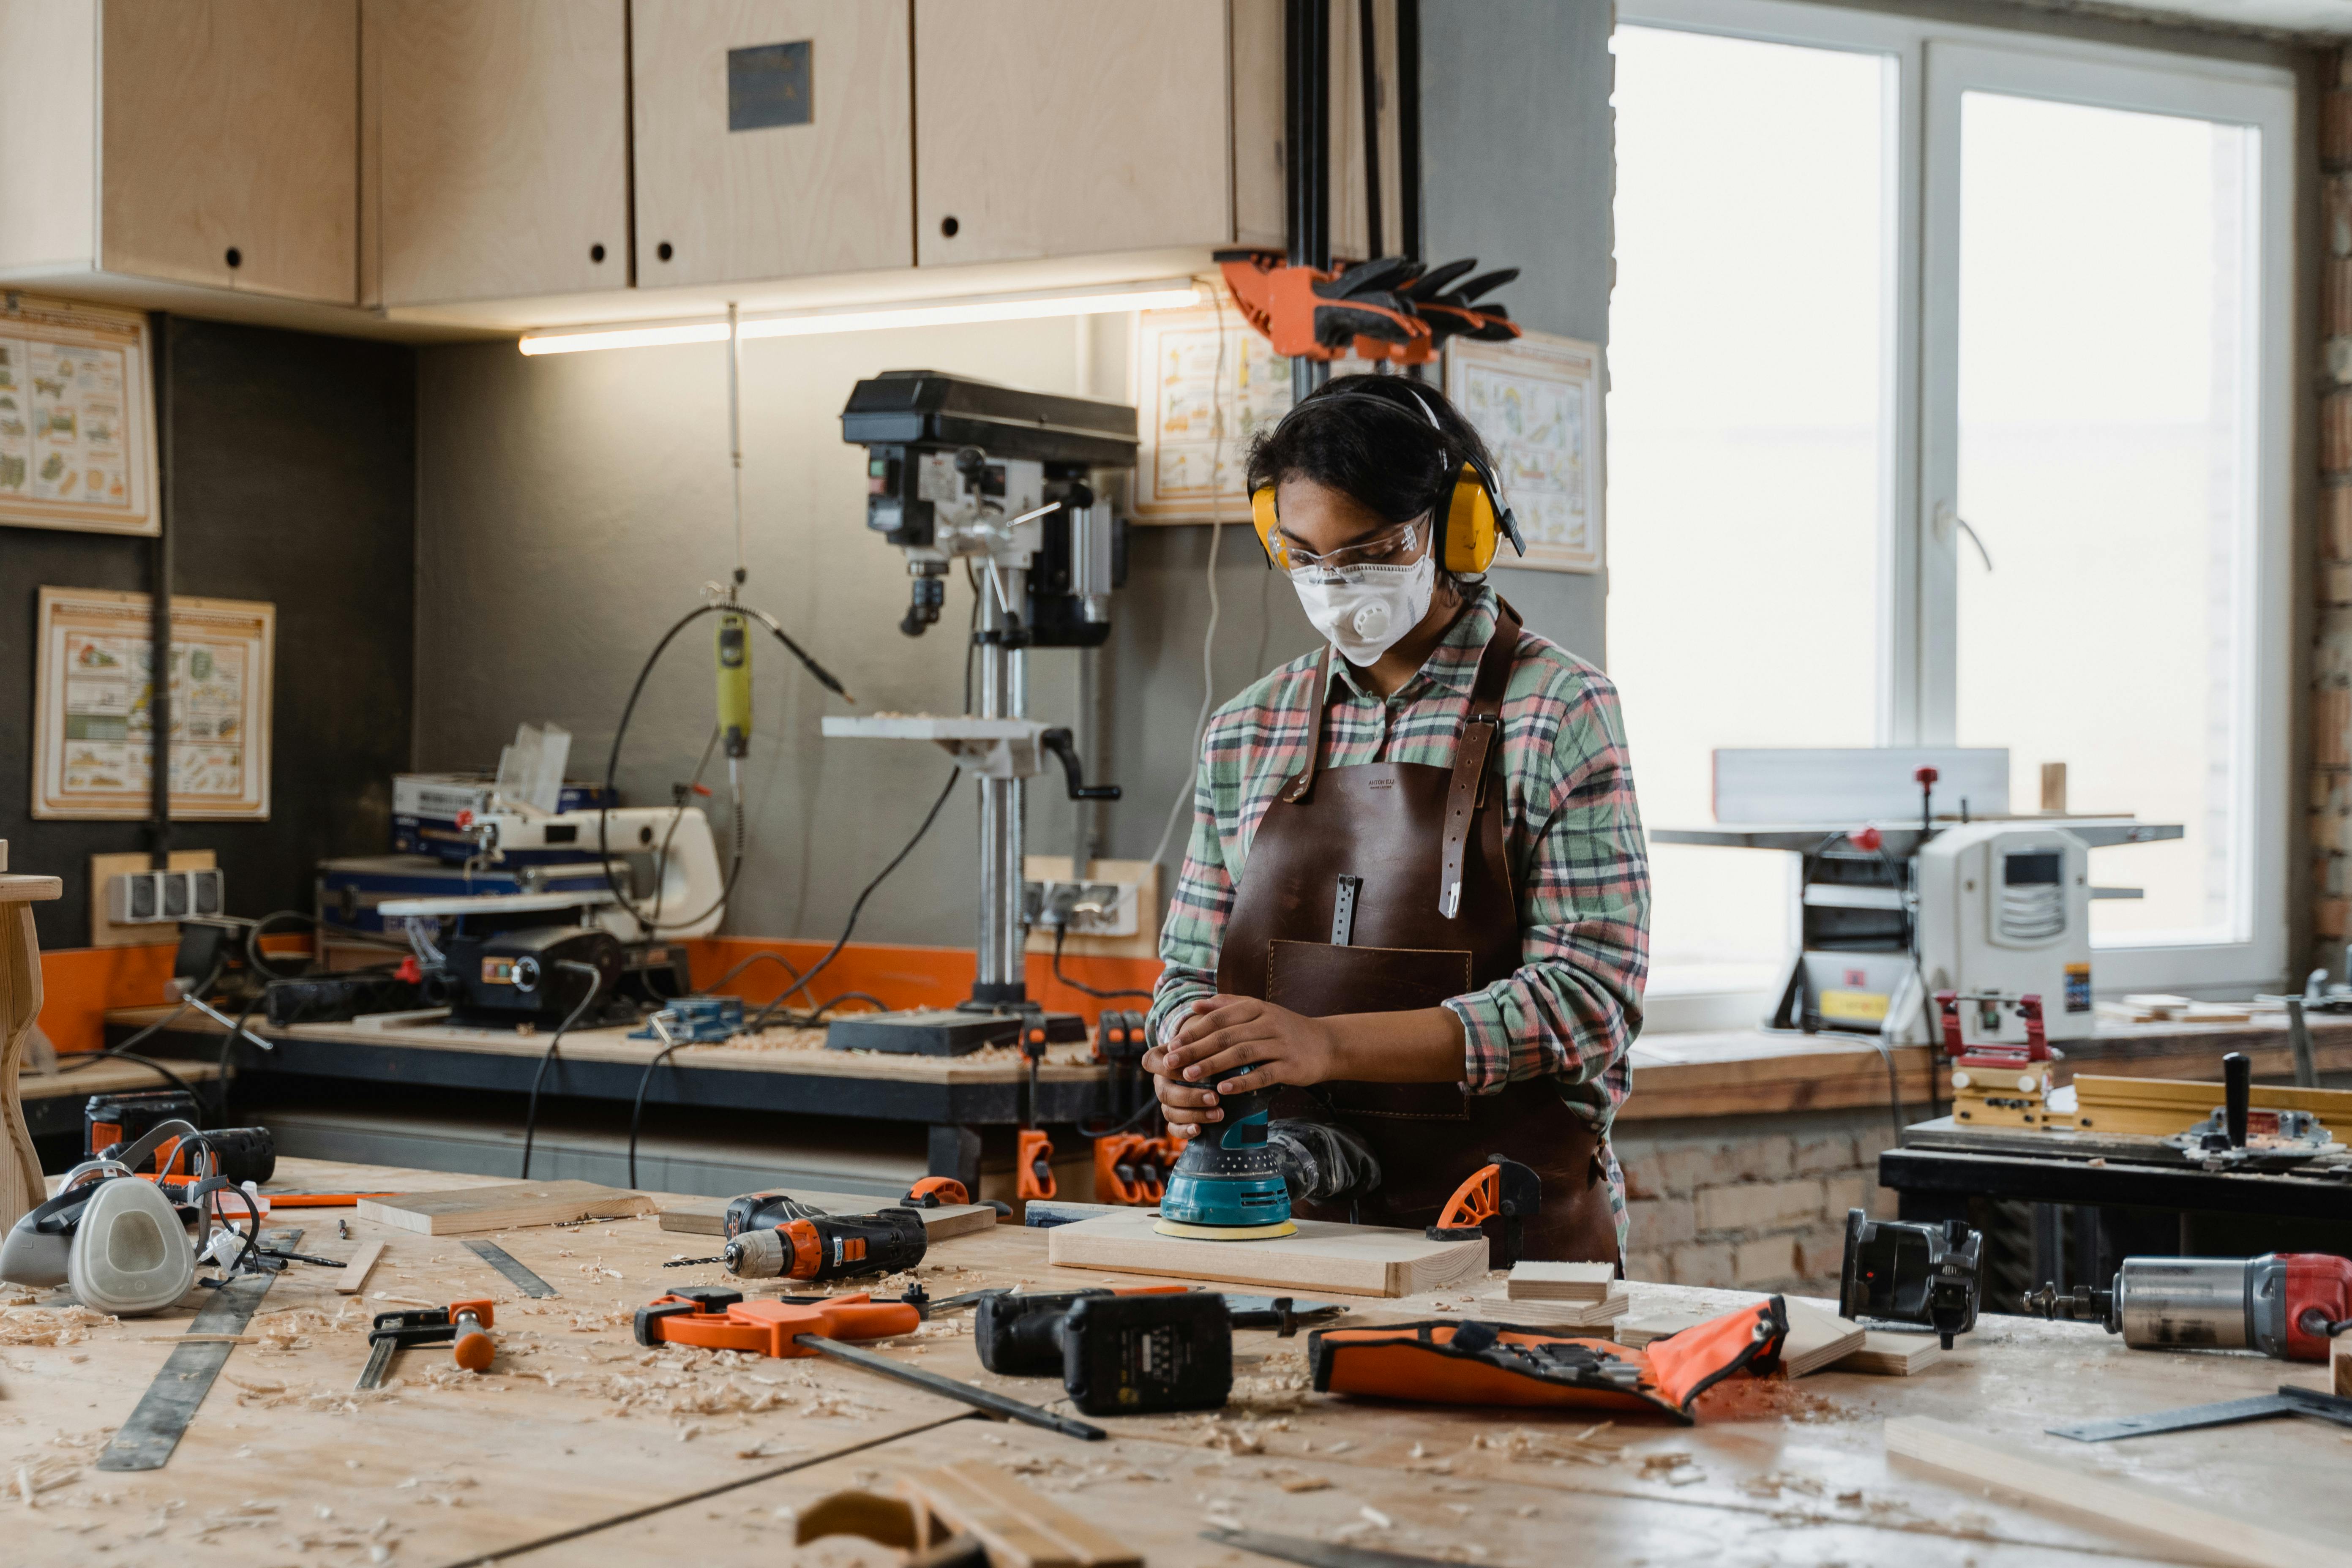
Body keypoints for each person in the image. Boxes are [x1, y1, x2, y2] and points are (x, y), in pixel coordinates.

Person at [1139, 374, 1649, 1264]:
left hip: (1506, 1238)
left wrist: (1324, 1044)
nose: (1336, 586)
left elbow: (1587, 1000)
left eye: (1370, 550)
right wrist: (1191, 1050)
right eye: (1303, 556)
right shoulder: (1245, 730)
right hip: (1285, 1234)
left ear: (1453, 529)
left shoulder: (1560, 711)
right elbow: (1187, 972)